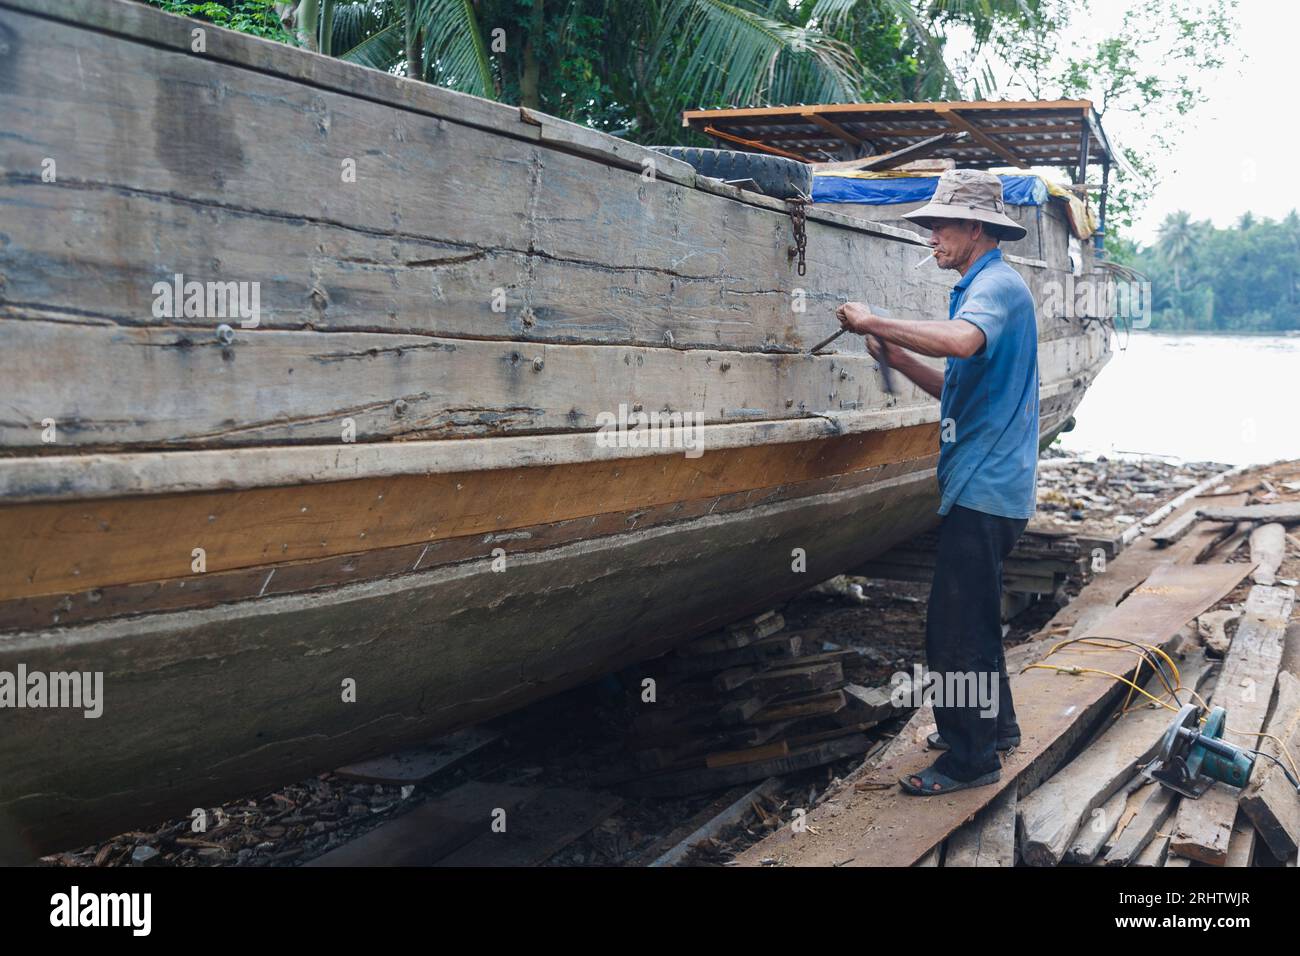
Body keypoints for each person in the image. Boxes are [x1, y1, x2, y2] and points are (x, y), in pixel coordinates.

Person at [834, 168, 1039, 795]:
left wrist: (875, 323)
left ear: (975, 228)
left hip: (985, 487)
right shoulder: (982, 286)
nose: (930, 237)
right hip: (987, 487)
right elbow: (954, 381)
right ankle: (992, 729)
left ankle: (969, 762)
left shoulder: (996, 287)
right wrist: (898, 357)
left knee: (954, 630)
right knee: (973, 617)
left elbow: (960, 343)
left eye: (939, 226)